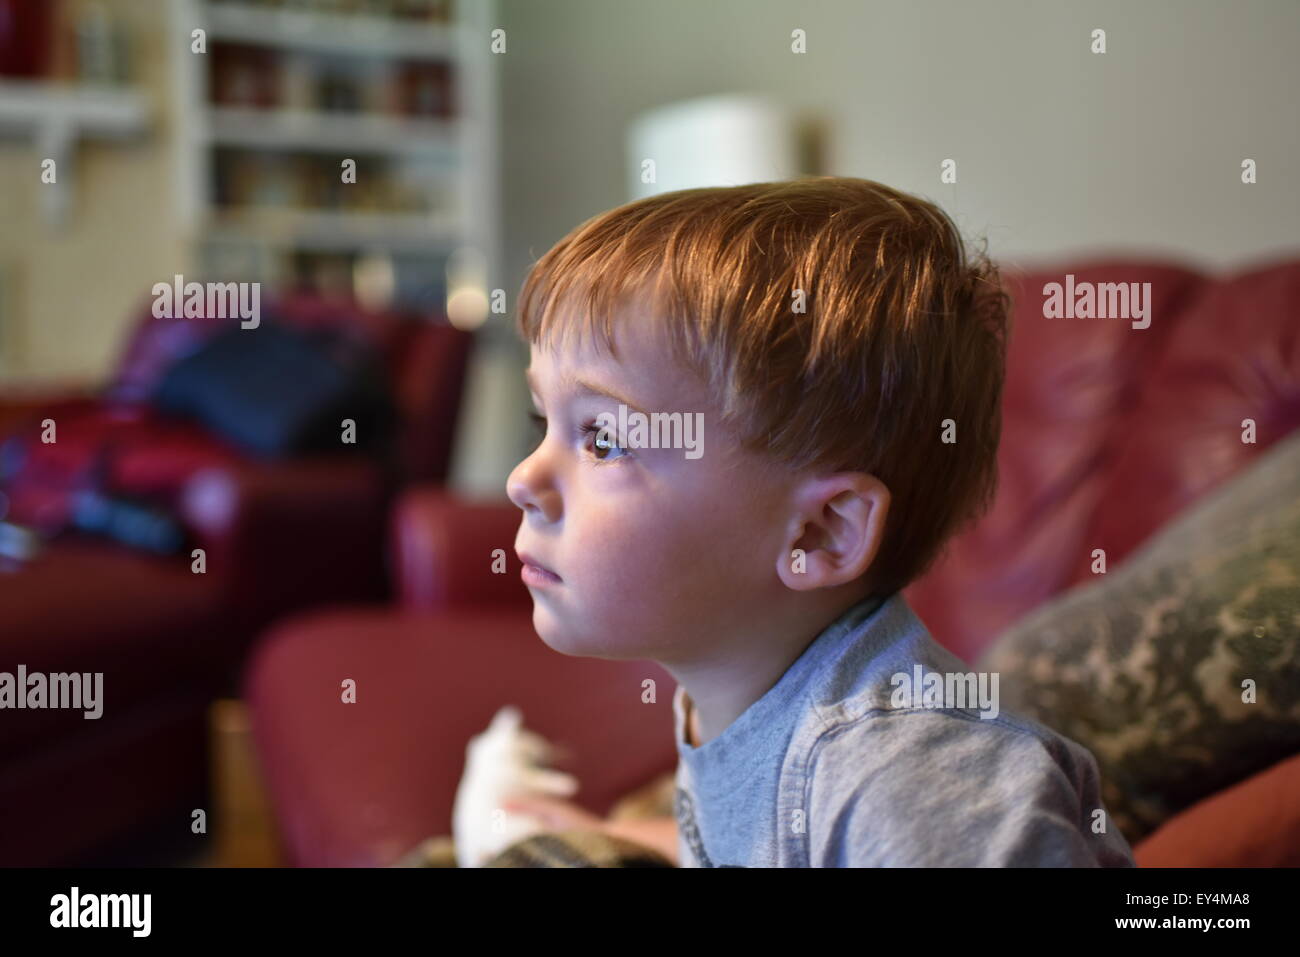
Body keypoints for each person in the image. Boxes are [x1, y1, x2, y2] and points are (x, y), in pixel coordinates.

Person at [502, 176, 1135, 867]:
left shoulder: (914, 780)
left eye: (604, 439)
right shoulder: (731, 686)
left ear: (820, 533)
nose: (521, 480)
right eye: (545, 422)